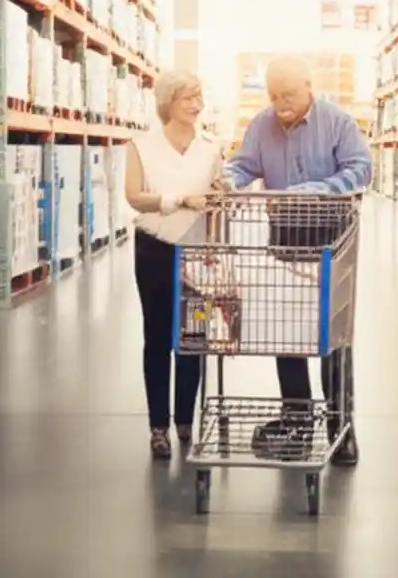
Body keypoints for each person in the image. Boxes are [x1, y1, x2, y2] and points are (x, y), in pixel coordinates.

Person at [225, 55, 372, 466]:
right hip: (285, 237)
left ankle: (342, 431)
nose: (281, 103)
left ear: (309, 85)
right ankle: (298, 423)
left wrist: (316, 190)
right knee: (286, 332)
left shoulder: (337, 123)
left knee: (334, 335)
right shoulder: (261, 126)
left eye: (288, 93)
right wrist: (228, 179)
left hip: (331, 238)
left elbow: (361, 168)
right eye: (274, 95)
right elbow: (243, 164)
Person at [125, 69, 220, 460]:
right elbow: (134, 196)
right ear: (168, 103)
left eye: (199, 97)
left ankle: (186, 420)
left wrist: (217, 242)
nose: (196, 105)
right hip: (155, 249)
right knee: (158, 336)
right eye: (187, 98)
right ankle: (158, 426)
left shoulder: (211, 148)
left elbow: (216, 202)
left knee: (195, 338)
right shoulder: (141, 145)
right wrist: (179, 199)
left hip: (199, 253)